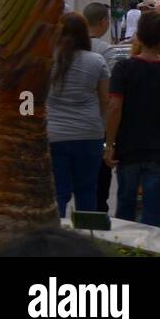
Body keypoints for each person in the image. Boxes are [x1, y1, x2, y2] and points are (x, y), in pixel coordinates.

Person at [104, 12, 160, 227]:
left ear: (138, 36)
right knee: (154, 209)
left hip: (128, 148)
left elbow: (115, 108)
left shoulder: (123, 69)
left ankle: (125, 248)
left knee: (125, 205)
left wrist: (110, 145)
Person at [47, 13, 109, 217]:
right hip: (90, 134)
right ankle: (87, 237)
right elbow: (104, 101)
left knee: (59, 192)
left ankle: (58, 238)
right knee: (87, 190)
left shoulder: (47, 62)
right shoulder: (96, 60)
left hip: (55, 135)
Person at [83, 2, 119, 214]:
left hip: (63, 129)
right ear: (104, 21)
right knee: (99, 177)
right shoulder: (104, 50)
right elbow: (110, 92)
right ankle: (96, 215)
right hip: (96, 124)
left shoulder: (61, 49)